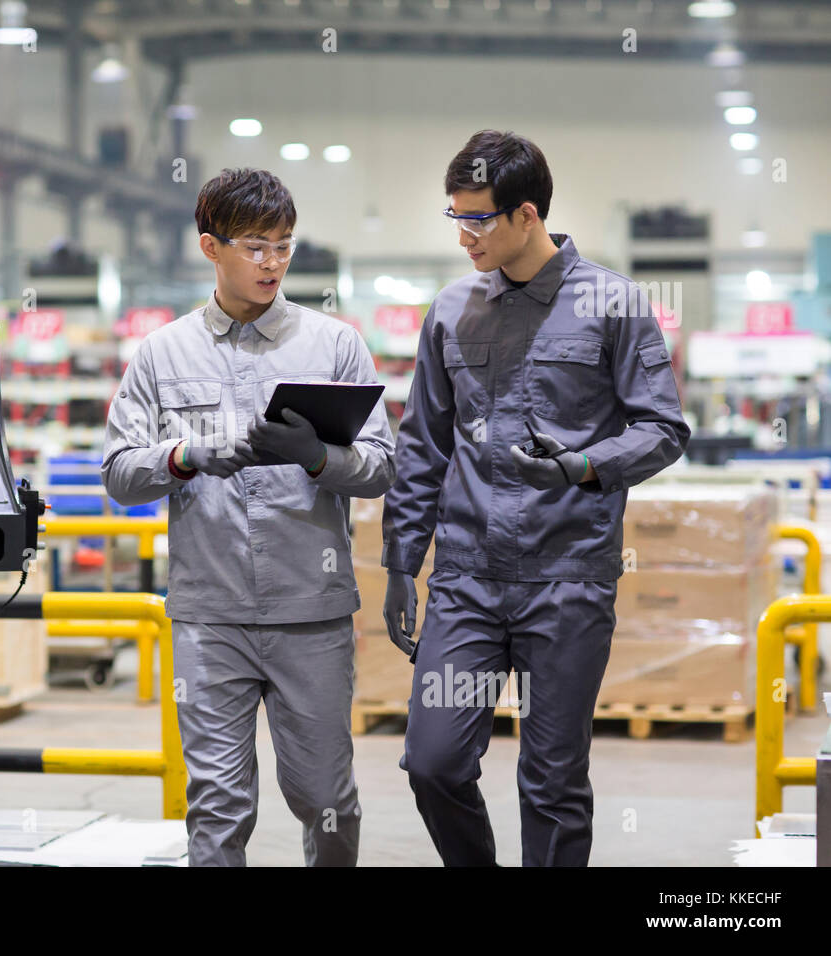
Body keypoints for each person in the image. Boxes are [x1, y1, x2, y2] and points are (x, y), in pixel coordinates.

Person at [381, 130, 690, 866]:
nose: (464, 236)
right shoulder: (452, 310)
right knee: (434, 763)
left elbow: (664, 428)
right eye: (453, 216)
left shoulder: (614, 304)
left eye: (478, 219)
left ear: (527, 215)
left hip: (568, 580)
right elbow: (422, 443)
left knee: (552, 779)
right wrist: (401, 562)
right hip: (468, 582)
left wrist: (583, 465)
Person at [101, 167, 396, 866]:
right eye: (255, 247)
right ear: (211, 246)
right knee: (218, 804)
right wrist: (185, 456)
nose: (271, 264)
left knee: (325, 798)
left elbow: (382, 465)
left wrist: (318, 458)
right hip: (212, 615)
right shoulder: (162, 354)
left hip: (310, 613)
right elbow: (118, 473)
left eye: (284, 247)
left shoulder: (334, 346)